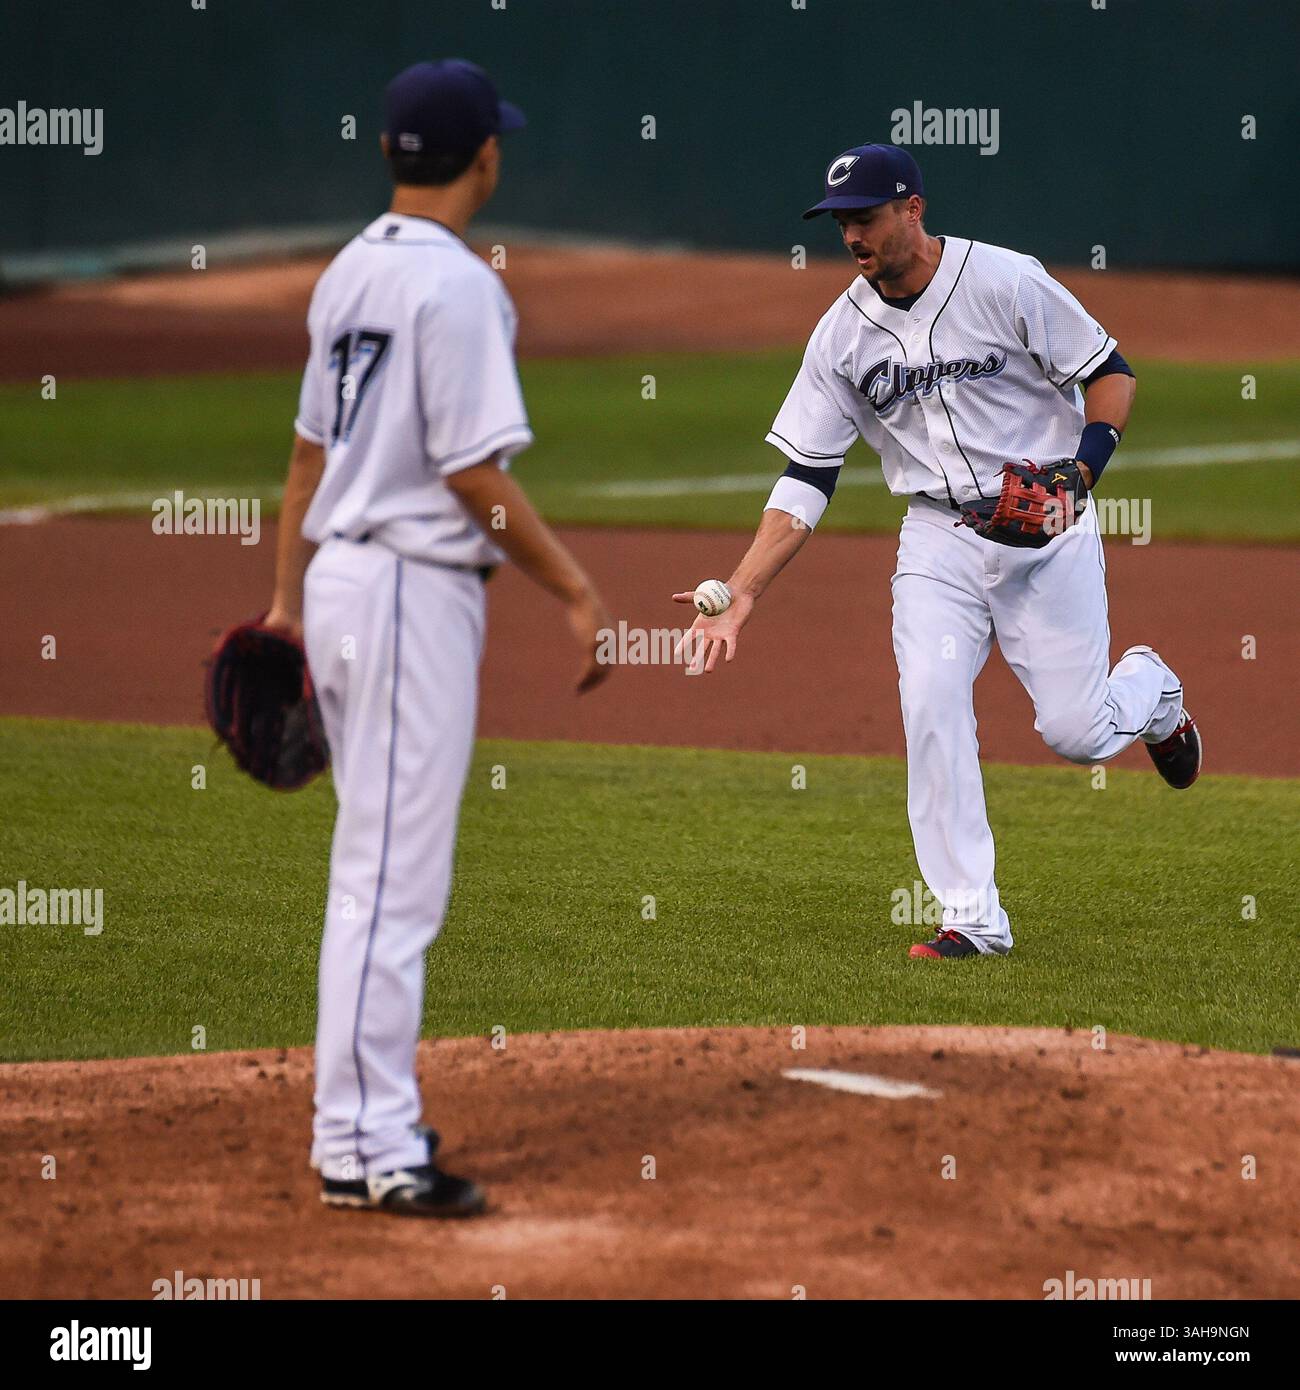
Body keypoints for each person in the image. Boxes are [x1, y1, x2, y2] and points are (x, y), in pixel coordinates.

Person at [673, 143, 1200, 961]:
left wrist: (1079, 474)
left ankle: (1153, 692)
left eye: (866, 216)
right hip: (936, 539)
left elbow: (1111, 374)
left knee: (1077, 732)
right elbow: (807, 474)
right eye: (841, 221)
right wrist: (743, 589)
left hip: (1046, 530)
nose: (852, 235)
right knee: (929, 703)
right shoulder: (841, 335)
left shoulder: (1005, 280)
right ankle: (973, 920)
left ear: (912, 209)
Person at [264, 59, 611, 1215]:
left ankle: (353, 1131)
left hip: (346, 585)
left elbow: (307, 459)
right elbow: (471, 472)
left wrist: (283, 602)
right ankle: (369, 1148)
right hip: (411, 590)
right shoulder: (459, 288)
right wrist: (572, 588)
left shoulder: (347, 269)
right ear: (485, 157)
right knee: (393, 879)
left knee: (368, 871)